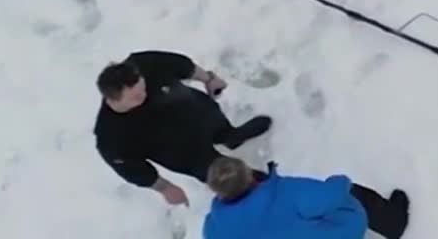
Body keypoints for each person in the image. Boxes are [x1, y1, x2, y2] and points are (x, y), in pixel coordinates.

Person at [93, 50, 273, 206]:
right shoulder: (110, 136)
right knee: (226, 177)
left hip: (200, 114)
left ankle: (231, 137)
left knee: (220, 127)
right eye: (136, 97)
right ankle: (258, 191)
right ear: (113, 100)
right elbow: (133, 170)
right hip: (185, 153)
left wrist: (209, 79)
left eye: (144, 87)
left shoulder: (143, 63)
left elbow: (182, 65)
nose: (145, 94)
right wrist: (165, 188)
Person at [203, 155, 410, 239]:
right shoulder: (287, 194)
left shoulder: (212, 228)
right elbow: (332, 194)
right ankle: (394, 223)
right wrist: (340, 181)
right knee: (351, 196)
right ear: (248, 175)